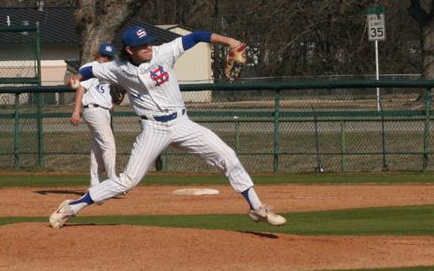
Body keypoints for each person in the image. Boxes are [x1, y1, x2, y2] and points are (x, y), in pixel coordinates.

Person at [49, 25, 286, 228]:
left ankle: (257, 207)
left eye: (148, 42)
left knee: (227, 155)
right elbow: (89, 69)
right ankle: (71, 207)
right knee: (127, 181)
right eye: (142, 45)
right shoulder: (118, 68)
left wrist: (231, 41)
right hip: (154, 129)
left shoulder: (164, 53)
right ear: (130, 50)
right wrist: (77, 77)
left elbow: (197, 36)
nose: (148, 47)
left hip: (182, 123)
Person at [67, 42, 123, 191]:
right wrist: (76, 111)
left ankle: (95, 185)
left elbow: (105, 91)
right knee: (109, 144)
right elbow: (81, 89)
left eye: (109, 57)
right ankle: (114, 183)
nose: (106, 59)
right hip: (93, 110)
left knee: (98, 149)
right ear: (98, 55)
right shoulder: (91, 68)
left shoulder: (107, 70)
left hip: (104, 111)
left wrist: (111, 103)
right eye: (104, 56)